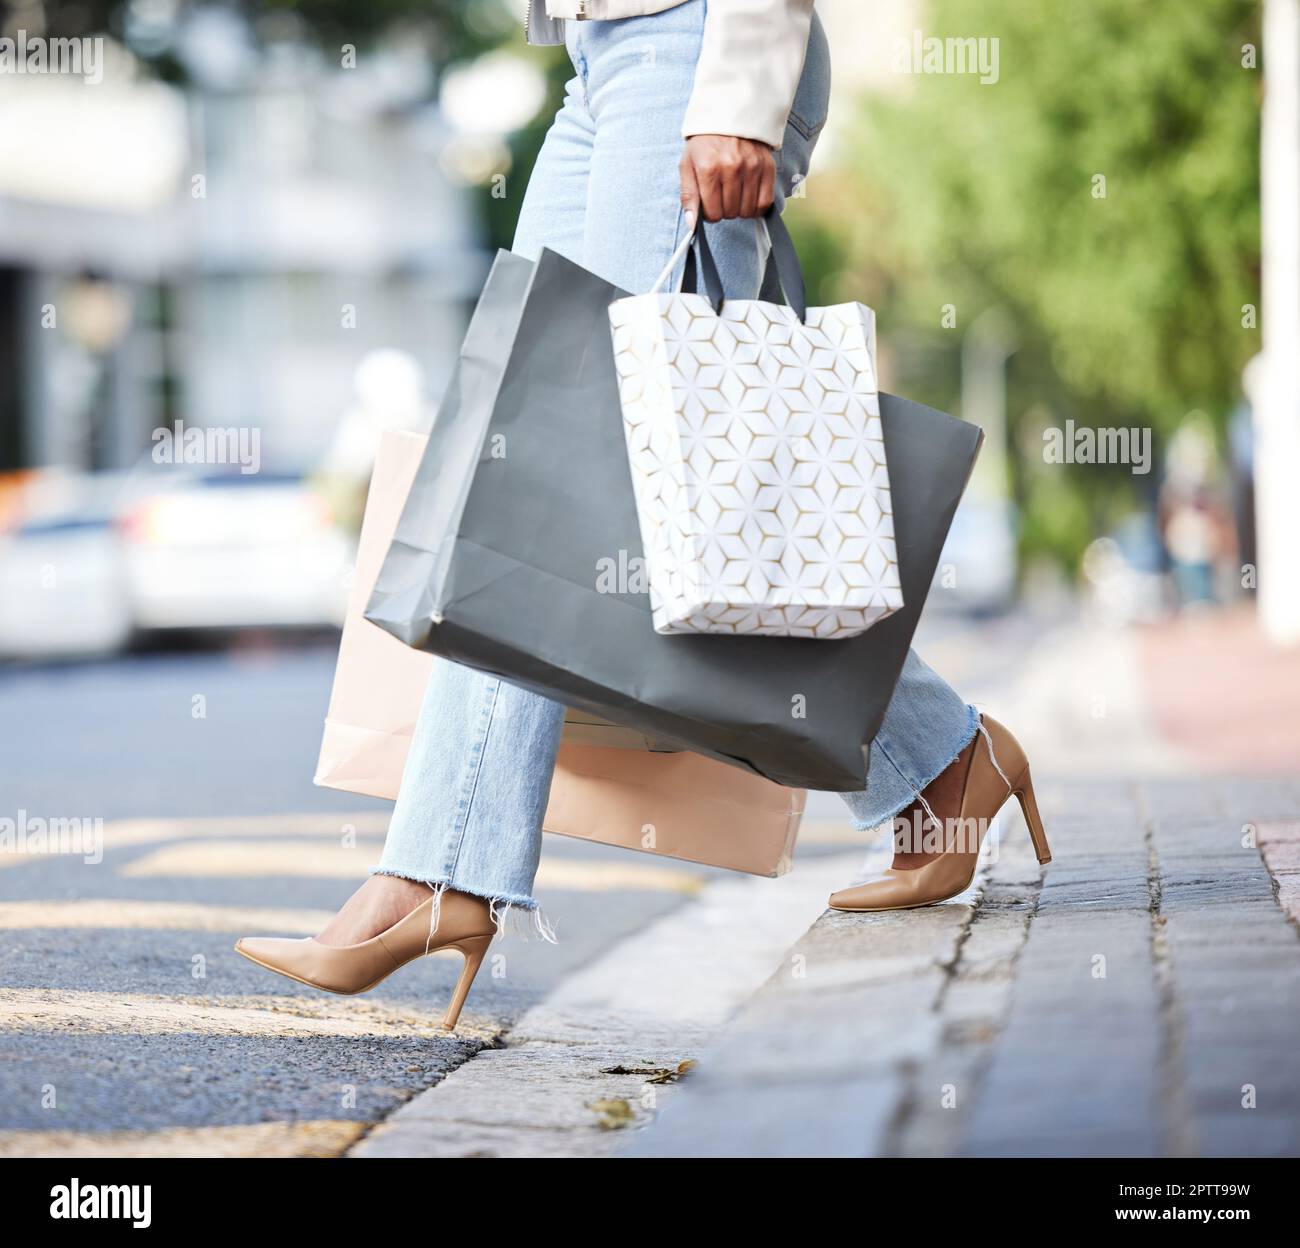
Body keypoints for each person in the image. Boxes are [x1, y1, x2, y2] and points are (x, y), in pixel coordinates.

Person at [236, 0, 1049, 1031]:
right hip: (602, 56)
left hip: (692, 46)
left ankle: (441, 872)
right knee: (544, 449)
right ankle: (938, 763)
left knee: (560, 471)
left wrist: (743, 93)